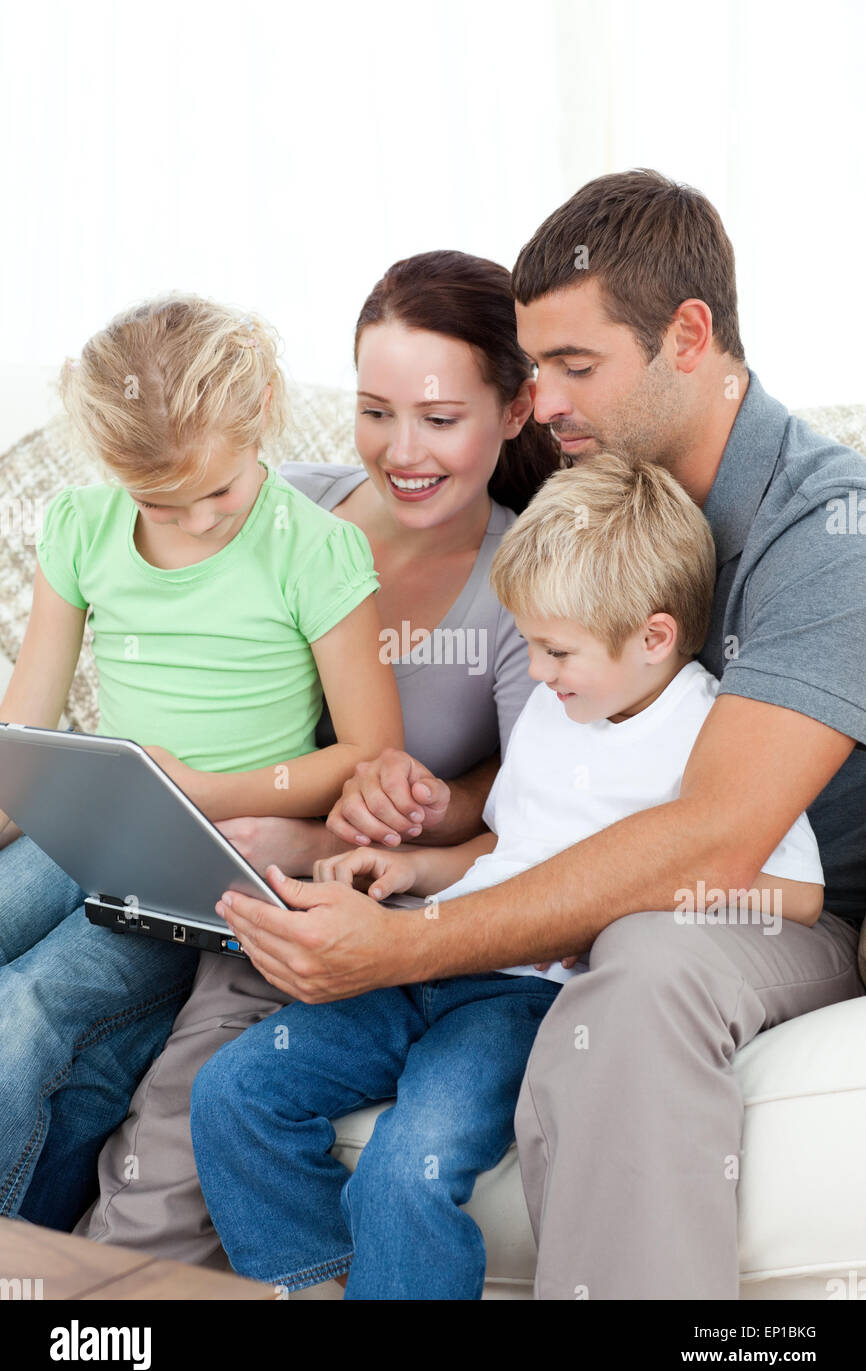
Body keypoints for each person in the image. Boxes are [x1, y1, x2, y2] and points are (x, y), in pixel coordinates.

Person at [212, 171, 866, 1301]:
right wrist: (407, 868)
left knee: (645, 963)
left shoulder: (827, 530)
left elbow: (716, 842)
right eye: (533, 369)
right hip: (560, 901)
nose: (546, 400)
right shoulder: (585, 504)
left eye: (575, 367)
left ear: (688, 338)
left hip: (778, 899)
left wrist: (415, 942)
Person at [190, 454, 826, 1300]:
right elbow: (510, 847)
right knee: (231, 1093)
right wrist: (412, 864)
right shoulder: (562, 707)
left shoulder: (714, 734)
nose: (534, 671)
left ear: (655, 637)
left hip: (522, 999)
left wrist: (608, 917)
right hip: (427, 954)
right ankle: (319, 1285)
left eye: (555, 650)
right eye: (527, 643)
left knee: (404, 1173)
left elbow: (801, 897)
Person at [58, 250, 562, 1260]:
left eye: (437, 416)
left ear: (513, 412)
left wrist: (350, 817)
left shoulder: (530, 576)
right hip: (188, 860)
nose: (400, 448)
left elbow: (525, 798)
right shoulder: (269, 507)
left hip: (339, 895)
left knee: (185, 1112)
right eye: (375, 410)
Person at [0, 292, 403, 1227]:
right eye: (159, 502)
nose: (198, 521)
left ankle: (26, 1266)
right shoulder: (81, 528)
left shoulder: (317, 552)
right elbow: (24, 730)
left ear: (264, 409)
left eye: (218, 491)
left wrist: (202, 791)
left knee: (28, 1009)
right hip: (85, 827)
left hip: (200, 869)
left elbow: (370, 755)